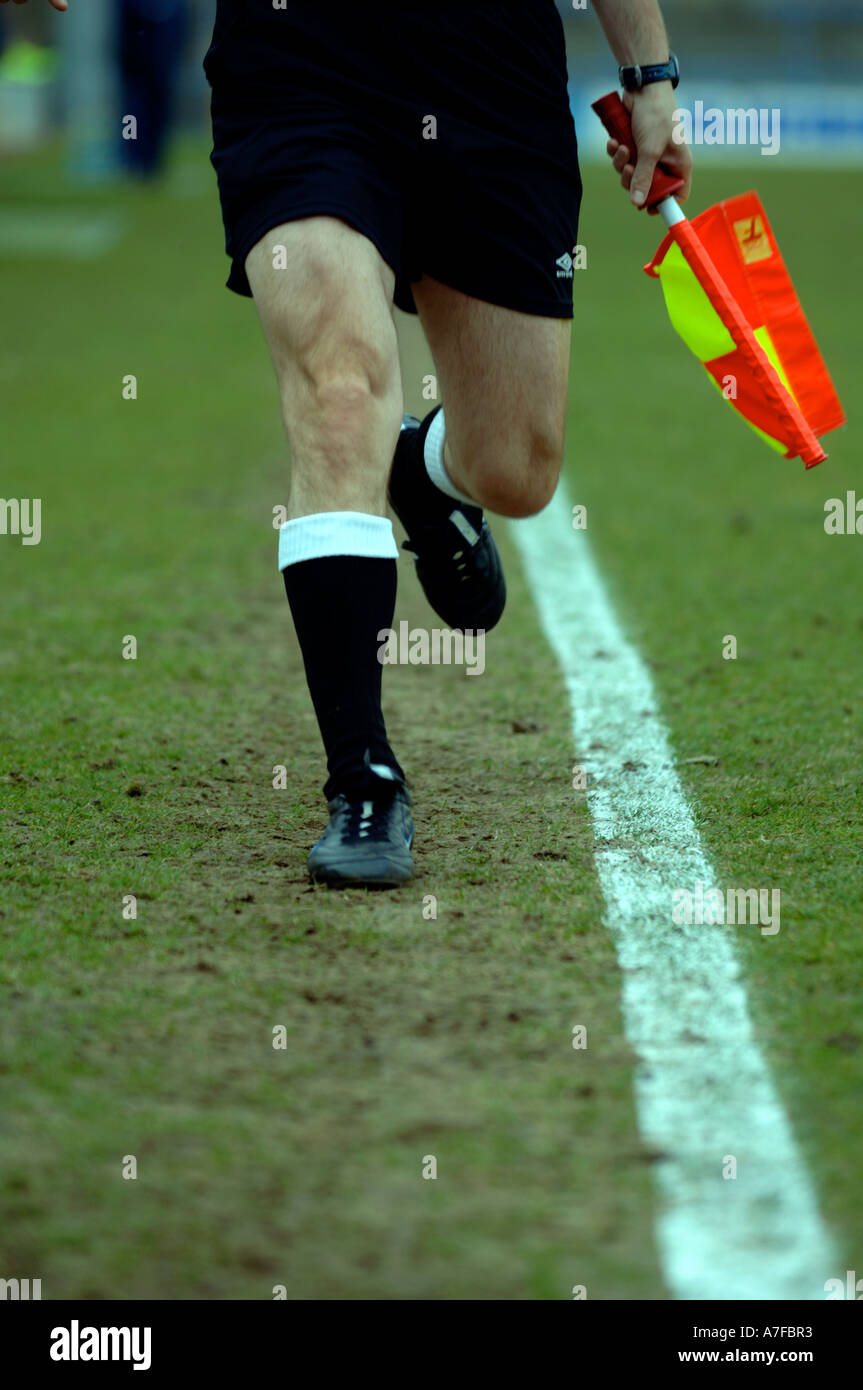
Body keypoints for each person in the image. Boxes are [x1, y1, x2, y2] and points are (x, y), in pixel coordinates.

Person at [28, 0, 691, 888]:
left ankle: (425, 473)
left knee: (516, 467)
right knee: (340, 398)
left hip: (492, 73)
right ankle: (363, 779)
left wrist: (648, 75)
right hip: (301, 63)